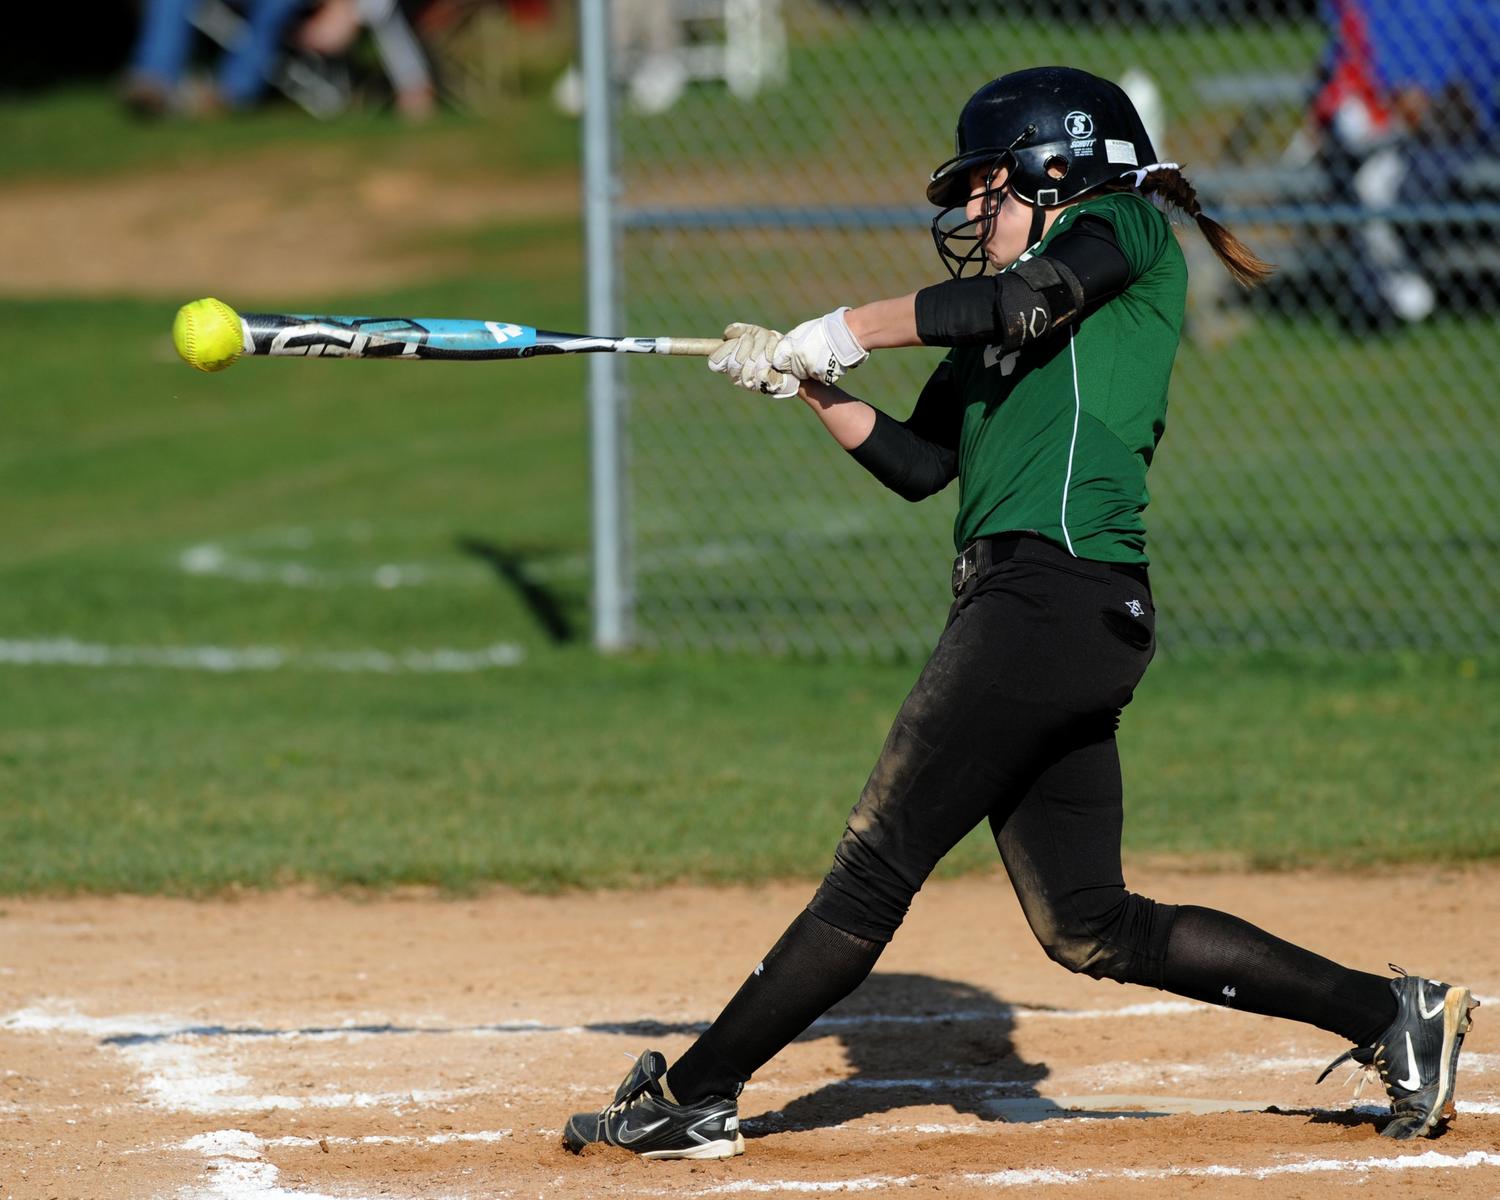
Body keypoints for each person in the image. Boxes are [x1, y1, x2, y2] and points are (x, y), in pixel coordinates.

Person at [560, 66, 1479, 1162]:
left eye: (987, 187)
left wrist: (841, 327)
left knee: (874, 866)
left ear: (1057, 169)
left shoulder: (1122, 229)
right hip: (1053, 614)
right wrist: (804, 382)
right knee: (1092, 924)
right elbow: (920, 463)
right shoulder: (1004, 326)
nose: (970, 212)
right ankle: (1393, 1017)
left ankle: (695, 1093)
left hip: (1049, 598)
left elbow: (1019, 297)